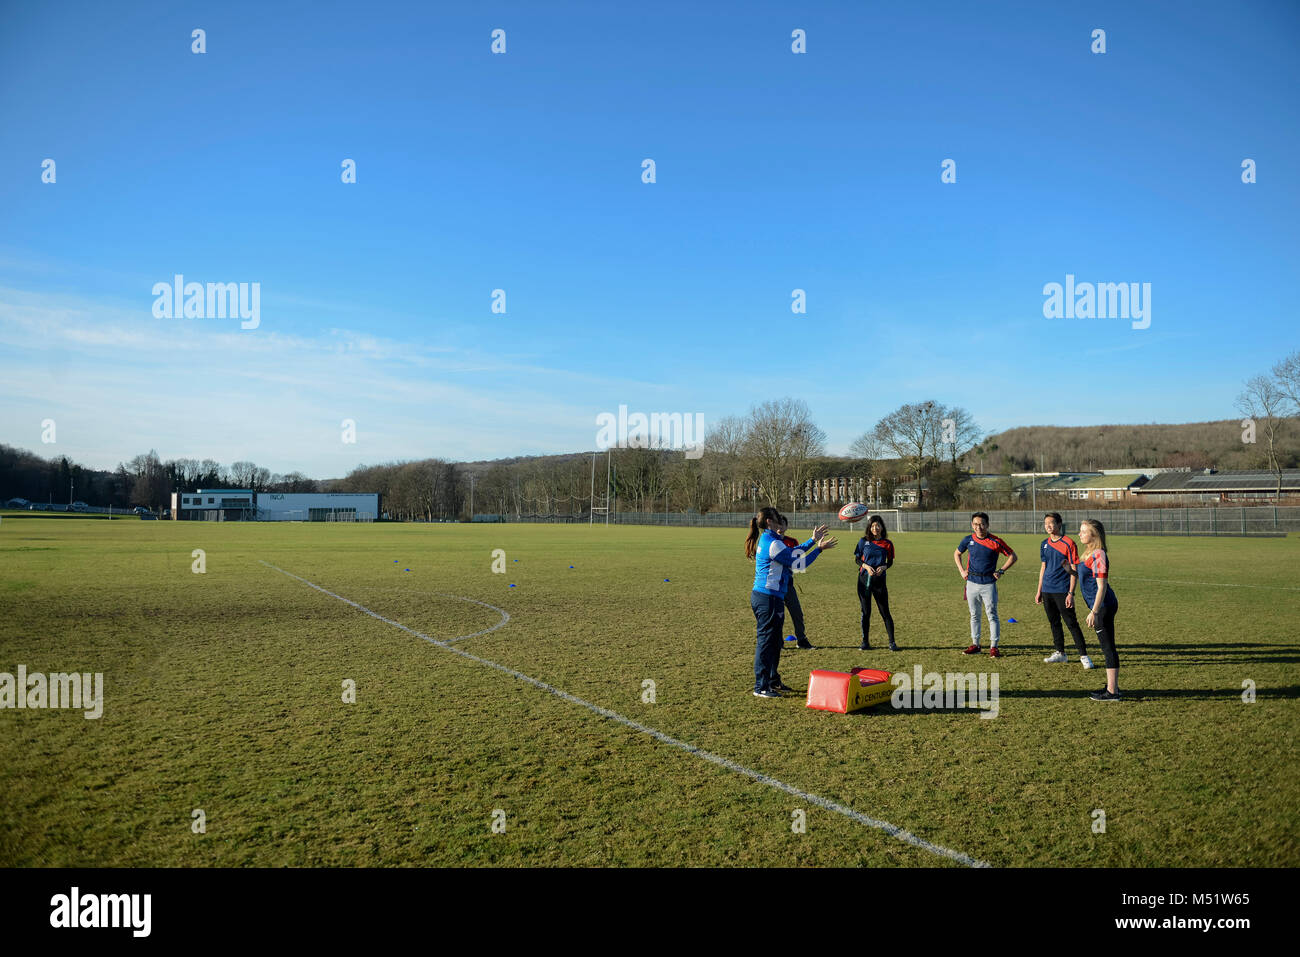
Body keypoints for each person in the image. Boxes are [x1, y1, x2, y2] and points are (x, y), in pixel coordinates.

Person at [745, 506, 837, 698]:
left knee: (775, 641)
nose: (781, 519)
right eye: (777, 517)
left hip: (769, 597)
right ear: (769, 521)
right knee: (766, 642)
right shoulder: (772, 543)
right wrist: (818, 549)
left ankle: (772, 680)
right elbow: (799, 563)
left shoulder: (770, 540)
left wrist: (812, 541)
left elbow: (793, 552)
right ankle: (761, 686)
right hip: (768, 598)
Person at [953, 512, 1016, 657]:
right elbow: (957, 554)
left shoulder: (996, 541)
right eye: (975, 524)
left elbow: (1013, 556)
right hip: (971, 583)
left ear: (987, 525)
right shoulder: (968, 540)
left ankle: (994, 646)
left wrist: (1001, 571)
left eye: (981, 524)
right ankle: (976, 644)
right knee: (974, 615)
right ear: (972, 525)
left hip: (988, 584)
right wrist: (962, 571)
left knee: (992, 615)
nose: (978, 527)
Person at [1036, 512, 1093, 669]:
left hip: (1062, 590)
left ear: (1059, 524)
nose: (1048, 526)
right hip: (1047, 590)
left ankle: (1084, 656)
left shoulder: (1069, 543)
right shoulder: (1044, 544)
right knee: (1054, 623)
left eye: (1051, 523)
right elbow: (1043, 567)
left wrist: (1071, 593)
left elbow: (1074, 568)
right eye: (1046, 523)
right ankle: (1060, 653)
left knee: (1071, 623)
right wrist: (1039, 590)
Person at [1078, 518, 1121, 701]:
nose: (1079, 534)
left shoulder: (1099, 555)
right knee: (1107, 646)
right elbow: (1086, 577)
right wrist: (1069, 570)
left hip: (1103, 606)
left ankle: (1112, 692)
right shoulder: (1089, 553)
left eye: (1083, 531)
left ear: (1094, 535)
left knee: (1107, 647)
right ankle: (1113, 687)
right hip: (1098, 606)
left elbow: (1101, 586)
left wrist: (1094, 611)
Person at [853, 514, 898, 651]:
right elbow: (857, 559)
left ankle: (892, 643)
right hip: (864, 581)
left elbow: (889, 562)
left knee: (885, 612)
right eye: (872, 526)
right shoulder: (863, 541)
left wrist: (884, 566)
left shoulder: (887, 544)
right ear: (869, 527)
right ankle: (865, 642)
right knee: (866, 612)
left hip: (879, 582)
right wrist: (866, 566)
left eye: (877, 525)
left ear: (882, 527)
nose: (875, 528)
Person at [776, 514, 814, 649]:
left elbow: (798, 565)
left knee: (797, 613)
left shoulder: (792, 541)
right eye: (778, 524)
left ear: (787, 526)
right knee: (777, 616)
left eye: (783, 524)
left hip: (788, 584)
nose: (780, 527)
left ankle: (802, 639)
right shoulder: (771, 542)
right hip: (774, 586)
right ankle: (778, 642)